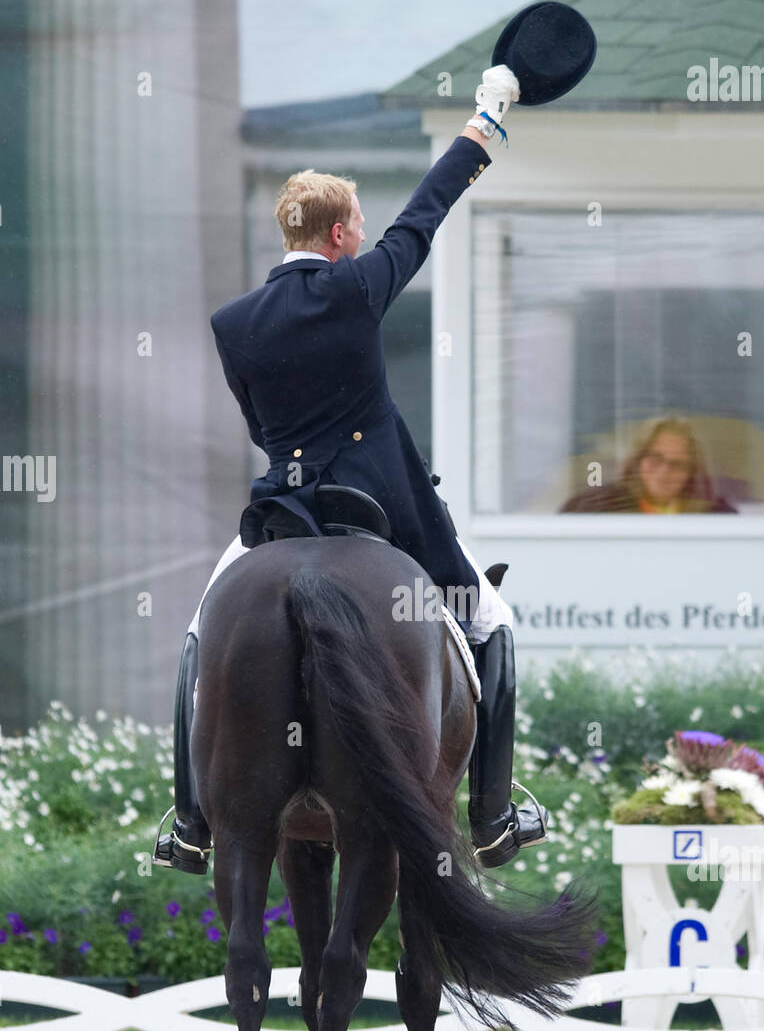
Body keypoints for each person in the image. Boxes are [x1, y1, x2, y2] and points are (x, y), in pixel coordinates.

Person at [152, 64, 549, 876]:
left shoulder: (234, 324)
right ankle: (496, 813)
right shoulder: (360, 286)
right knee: (492, 622)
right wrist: (487, 122)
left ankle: (190, 822)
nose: (364, 239)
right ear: (339, 237)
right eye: (358, 229)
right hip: (383, 508)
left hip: (279, 514)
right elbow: (428, 210)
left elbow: (262, 428)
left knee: (200, 638)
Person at [561, 416, 736, 514]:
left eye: (677, 464)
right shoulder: (601, 506)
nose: (664, 471)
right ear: (638, 460)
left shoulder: (715, 515)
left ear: (692, 471)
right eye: (655, 459)